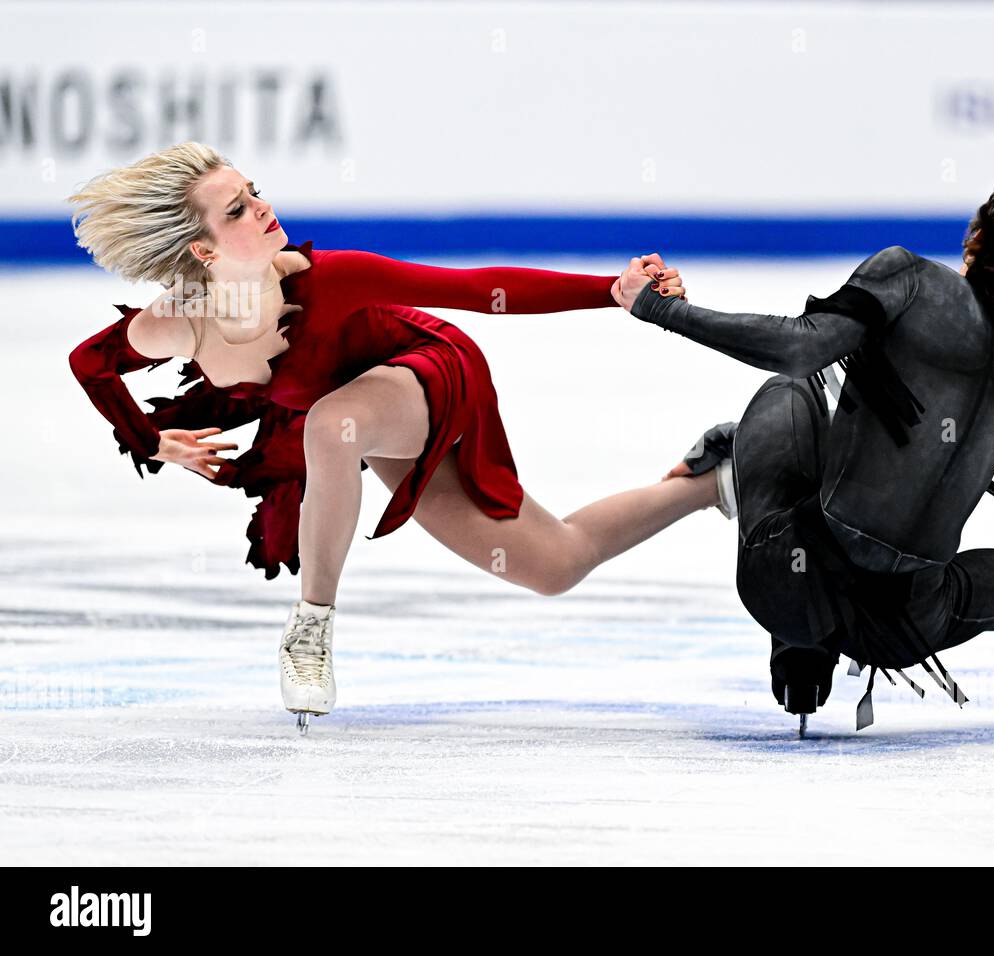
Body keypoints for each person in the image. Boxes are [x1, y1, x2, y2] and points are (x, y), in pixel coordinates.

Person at [66, 142, 728, 733]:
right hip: (364, 419)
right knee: (554, 564)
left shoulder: (332, 279)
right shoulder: (179, 322)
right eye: (237, 210)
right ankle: (711, 479)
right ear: (203, 251)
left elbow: (474, 289)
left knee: (327, 426)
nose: (263, 208)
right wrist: (150, 439)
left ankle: (309, 631)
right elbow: (90, 363)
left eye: (255, 191)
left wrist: (611, 291)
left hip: (426, 370)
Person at [612, 179, 994, 733]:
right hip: (907, 625)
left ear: (979, 239)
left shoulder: (907, 276)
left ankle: (798, 646)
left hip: (789, 582)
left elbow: (799, 351)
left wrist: (661, 308)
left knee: (791, 388)